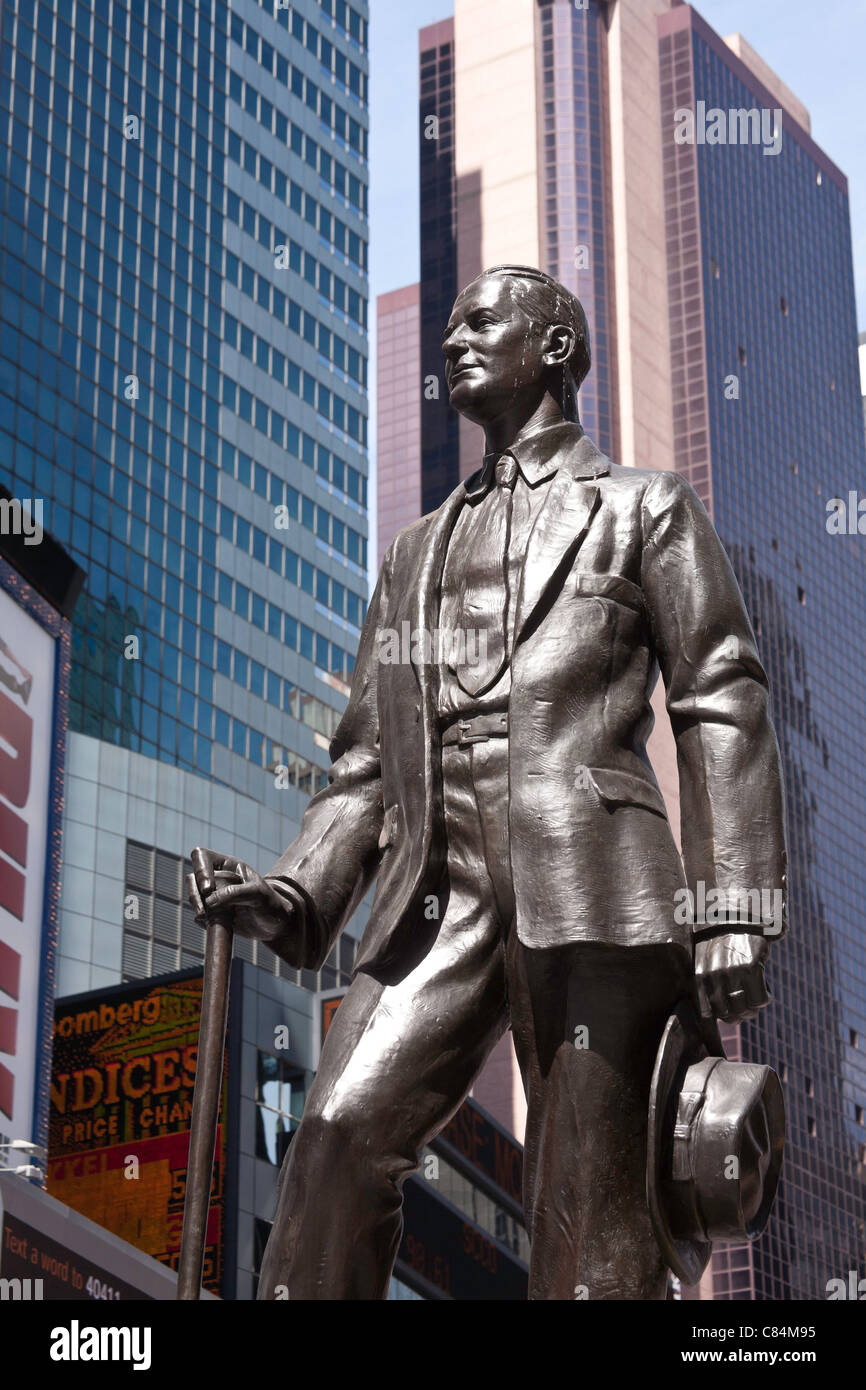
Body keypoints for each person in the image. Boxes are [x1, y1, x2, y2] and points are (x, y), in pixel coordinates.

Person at [188, 265, 787, 1300]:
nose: (451, 341)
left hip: (593, 886)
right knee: (332, 1132)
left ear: (554, 346)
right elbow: (366, 762)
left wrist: (731, 902)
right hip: (437, 891)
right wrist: (292, 891)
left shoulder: (643, 508)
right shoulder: (413, 554)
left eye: (481, 321)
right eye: (447, 326)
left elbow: (719, 693)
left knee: (586, 1226)